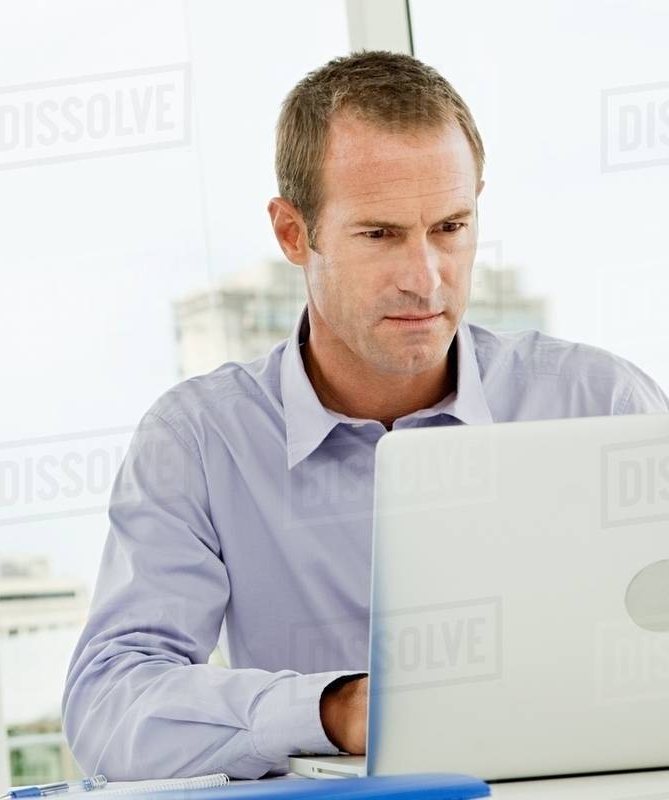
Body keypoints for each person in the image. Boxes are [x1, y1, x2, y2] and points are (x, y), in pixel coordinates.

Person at [61, 50, 669, 780]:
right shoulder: (198, 439)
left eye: (450, 227)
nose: (425, 278)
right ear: (294, 234)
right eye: (378, 235)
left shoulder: (597, 403)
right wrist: (332, 710)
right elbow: (107, 702)